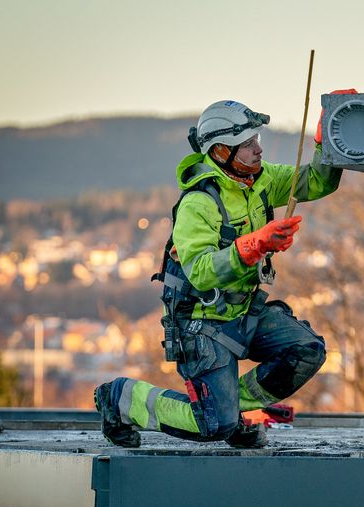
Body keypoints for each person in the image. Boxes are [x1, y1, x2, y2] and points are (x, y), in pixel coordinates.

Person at [94, 98, 348, 449]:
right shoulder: (199, 203)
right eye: (248, 144)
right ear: (220, 151)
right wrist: (253, 246)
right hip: (203, 322)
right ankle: (120, 397)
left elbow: (317, 182)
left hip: (242, 313)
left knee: (306, 350)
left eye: (256, 139)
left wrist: (329, 141)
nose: (259, 149)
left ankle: (231, 410)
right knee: (213, 426)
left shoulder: (260, 180)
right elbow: (199, 272)